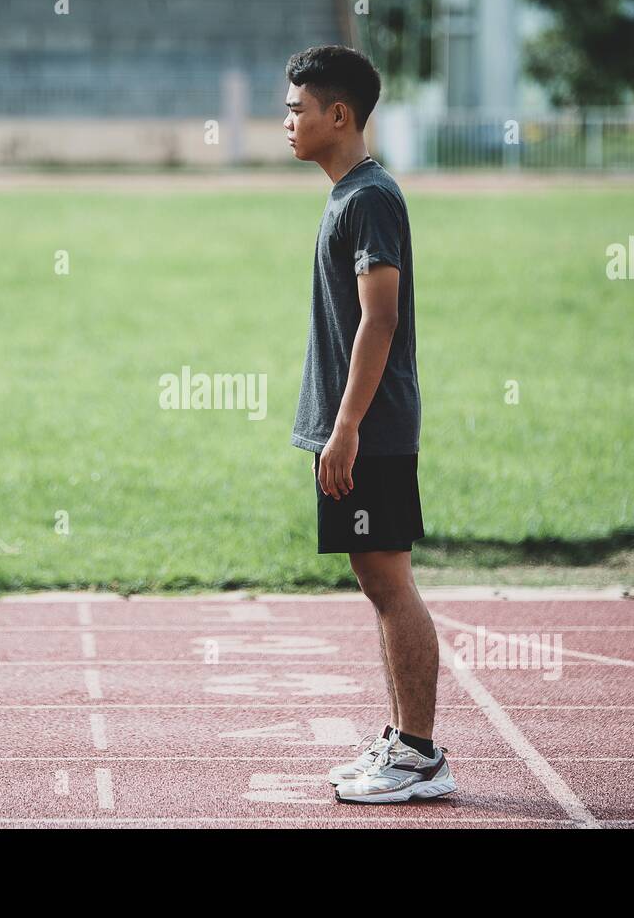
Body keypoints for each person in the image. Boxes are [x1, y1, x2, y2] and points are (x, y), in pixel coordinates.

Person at [284, 44, 455, 803]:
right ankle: (402, 738)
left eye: (297, 109)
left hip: (372, 429)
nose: (286, 121)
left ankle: (419, 752)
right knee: (376, 580)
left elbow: (379, 319)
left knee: (389, 582)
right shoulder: (348, 194)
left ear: (338, 114)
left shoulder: (370, 198)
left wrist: (347, 425)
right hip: (354, 426)